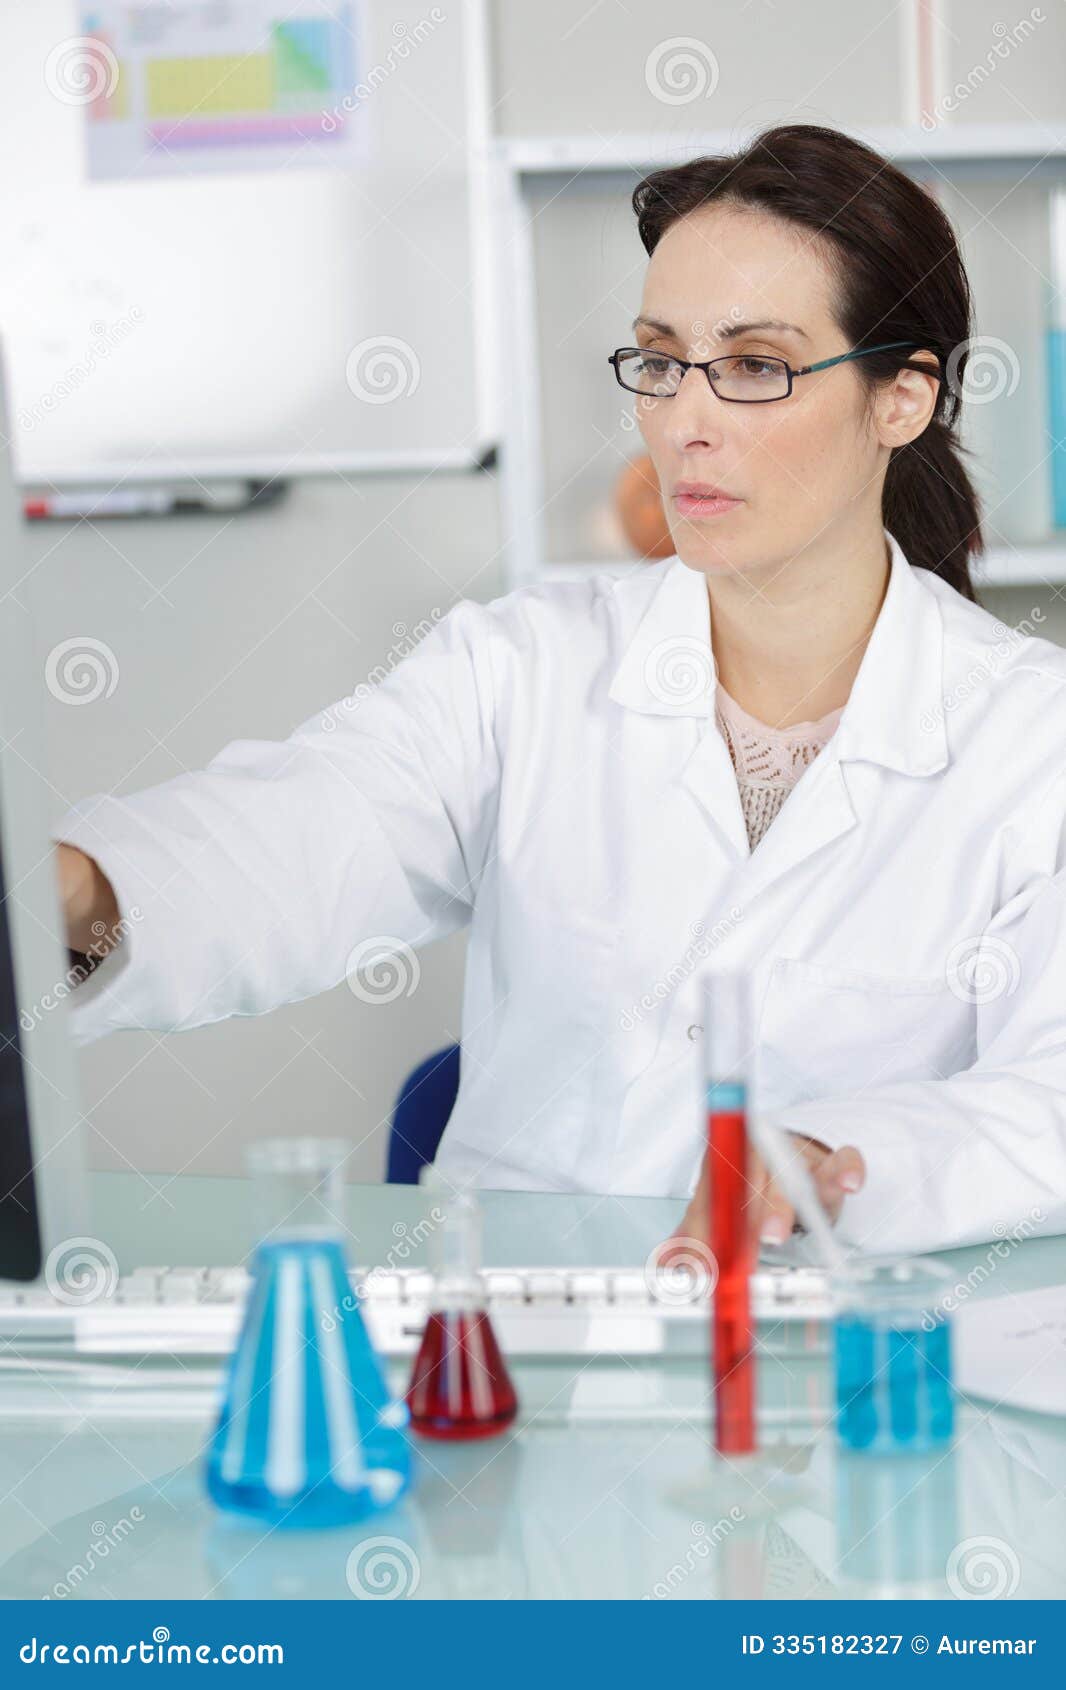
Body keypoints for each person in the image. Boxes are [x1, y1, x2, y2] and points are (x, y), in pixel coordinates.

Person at [55, 123, 1066, 1256]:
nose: (684, 419)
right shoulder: (524, 668)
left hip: (826, 1339)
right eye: (659, 359)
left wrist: (835, 1160)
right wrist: (78, 891)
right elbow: (296, 836)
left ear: (902, 400)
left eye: (753, 367)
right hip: (511, 1339)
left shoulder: (1032, 740)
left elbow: (1054, 1095)